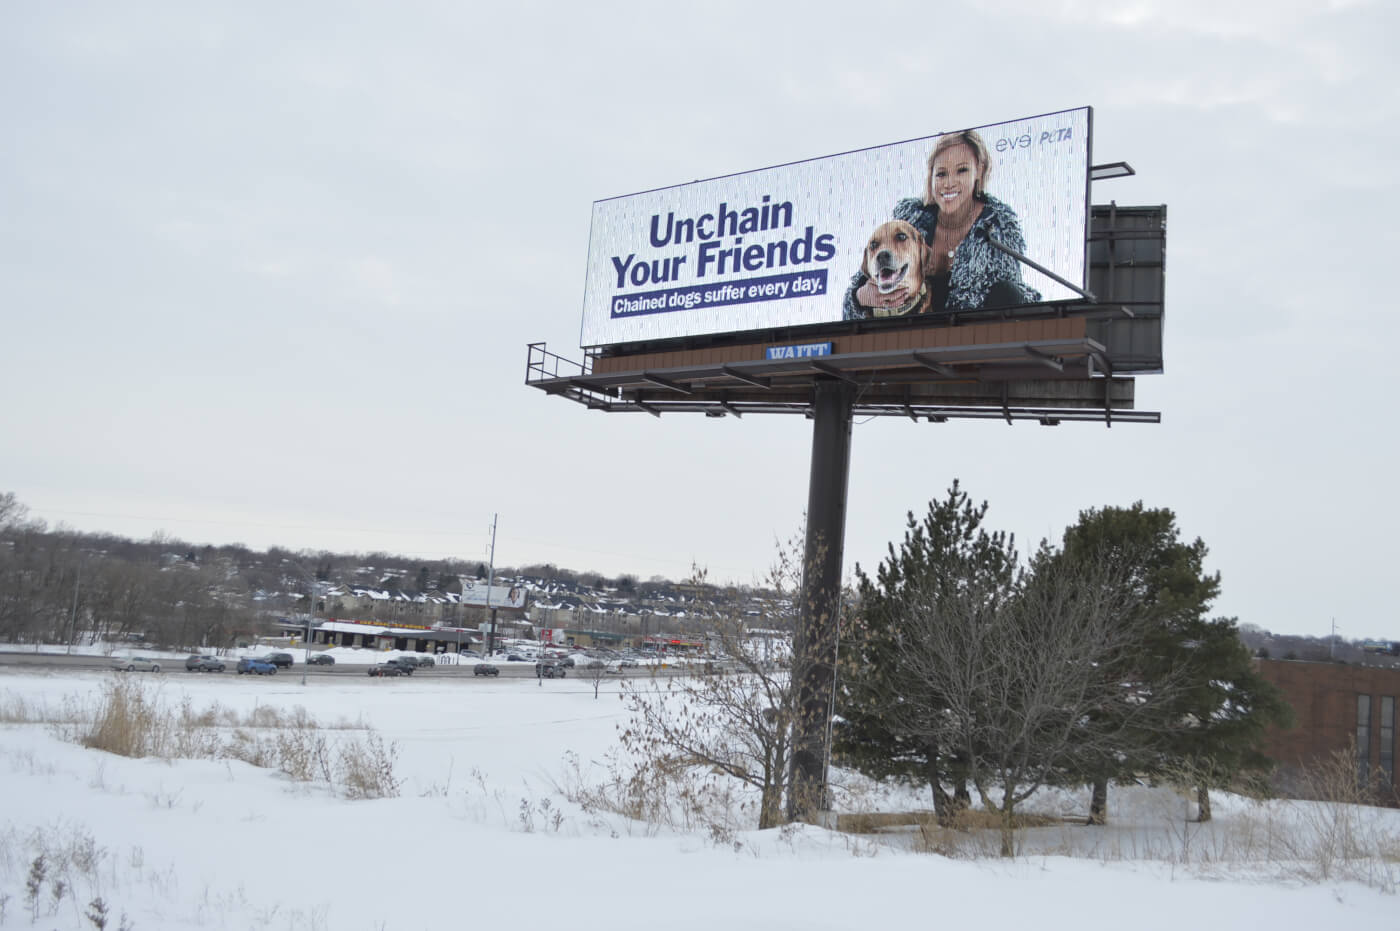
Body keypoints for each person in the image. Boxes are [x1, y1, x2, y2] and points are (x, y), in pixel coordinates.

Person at [844, 129, 1040, 319]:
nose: (949, 183)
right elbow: (863, 280)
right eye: (941, 174)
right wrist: (861, 297)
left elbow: (1011, 301)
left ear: (979, 171)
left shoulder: (999, 231)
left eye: (961, 170)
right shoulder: (908, 221)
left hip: (970, 341)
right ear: (931, 176)